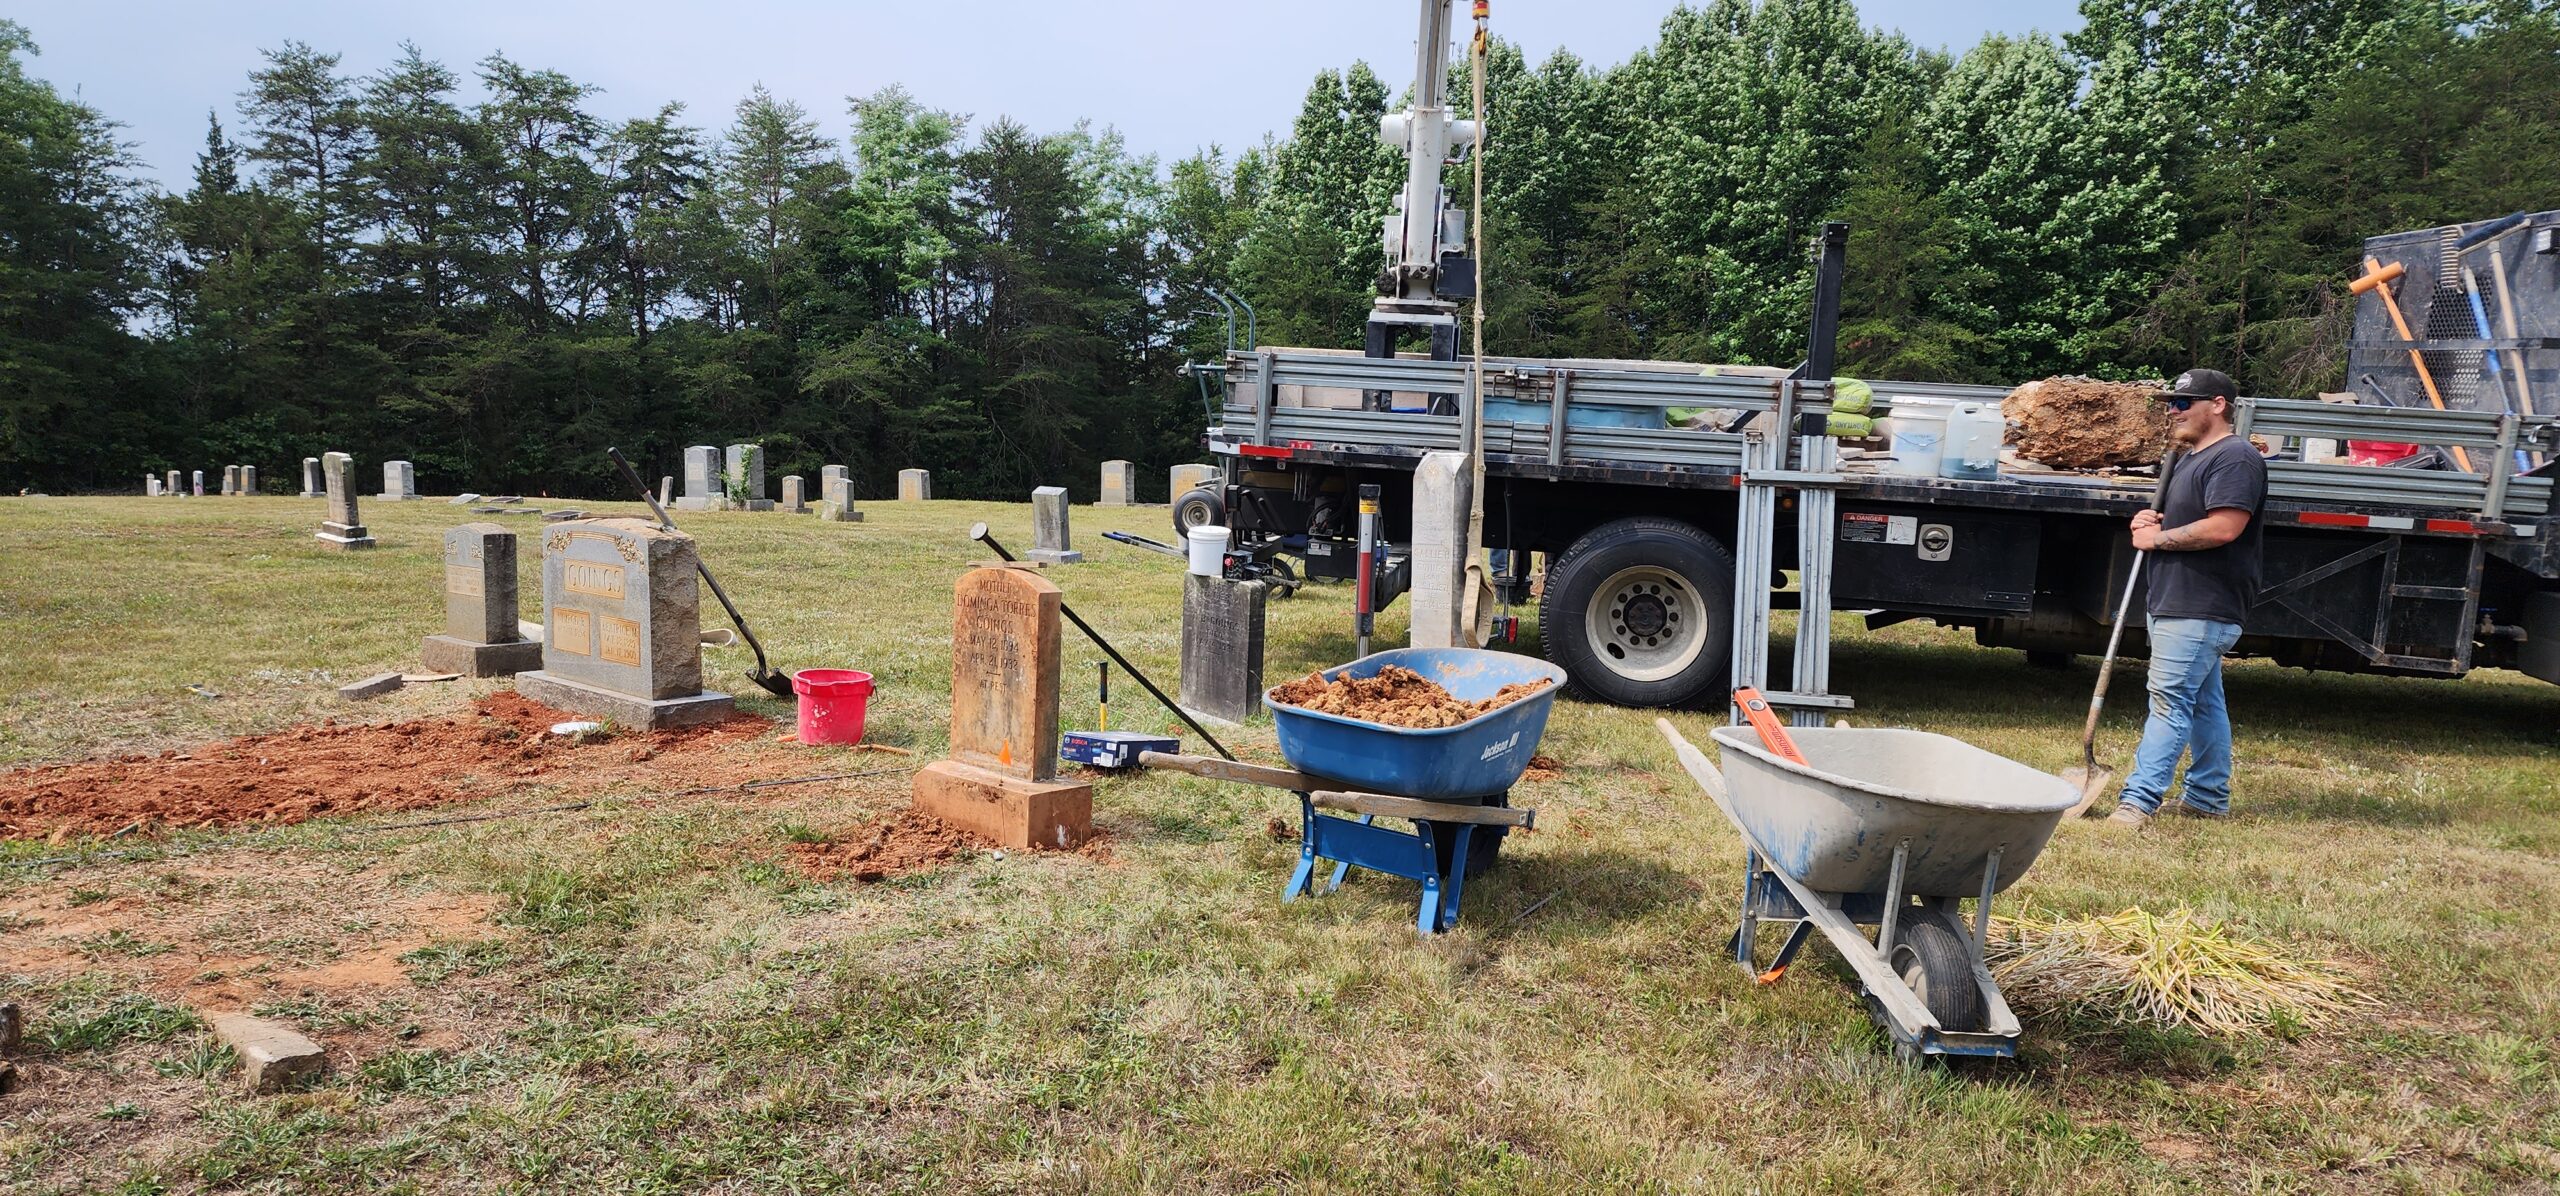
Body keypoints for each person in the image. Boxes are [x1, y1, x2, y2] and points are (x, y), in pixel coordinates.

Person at [2107, 367, 2267, 829]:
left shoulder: (2235, 458)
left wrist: (2157, 541)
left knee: (2169, 701)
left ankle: (2137, 802)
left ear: (2217, 404)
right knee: (2202, 703)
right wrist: (2150, 524)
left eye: (2183, 403)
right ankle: (2207, 797)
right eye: (2170, 404)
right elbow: (2186, 522)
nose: (2173, 412)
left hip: (2202, 605)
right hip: (2177, 600)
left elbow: (2224, 528)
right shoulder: (2192, 457)